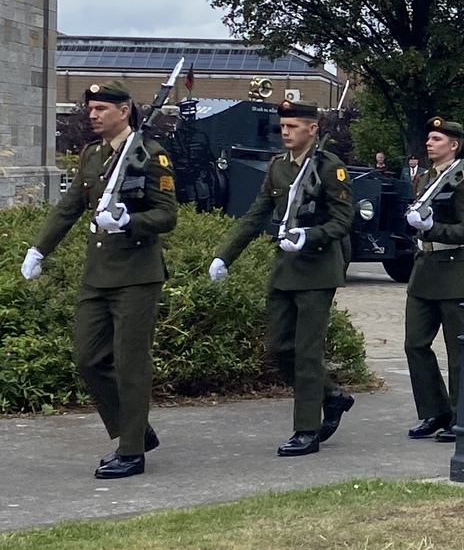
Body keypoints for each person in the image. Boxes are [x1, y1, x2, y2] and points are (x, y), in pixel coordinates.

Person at [22, 81, 176, 479]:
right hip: (97, 275)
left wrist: (128, 221)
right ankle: (135, 427)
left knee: (130, 364)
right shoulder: (93, 154)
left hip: (136, 275)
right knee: (88, 359)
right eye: (90, 108)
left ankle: (131, 452)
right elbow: (69, 207)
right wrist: (39, 249)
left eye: (101, 108)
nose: (92, 114)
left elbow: (167, 215)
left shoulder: (150, 154)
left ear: (124, 111)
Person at [211, 96, 354, 457]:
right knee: (279, 347)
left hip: (318, 271)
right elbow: (256, 214)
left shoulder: (329, 167)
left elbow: (342, 220)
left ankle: (306, 430)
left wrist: (310, 236)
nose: (285, 132)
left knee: (307, 352)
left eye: (293, 126)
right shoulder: (278, 167)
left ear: (312, 128)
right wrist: (225, 256)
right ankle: (332, 395)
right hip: (285, 270)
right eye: (283, 126)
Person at [402, 117, 464, 443]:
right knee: (415, 344)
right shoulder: (424, 178)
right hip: (424, 270)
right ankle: (435, 410)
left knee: (458, 352)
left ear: (453, 145)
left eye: (437, 139)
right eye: (429, 138)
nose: (429, 143)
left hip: (453, 273)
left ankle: (461, 416)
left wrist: (431, 228)